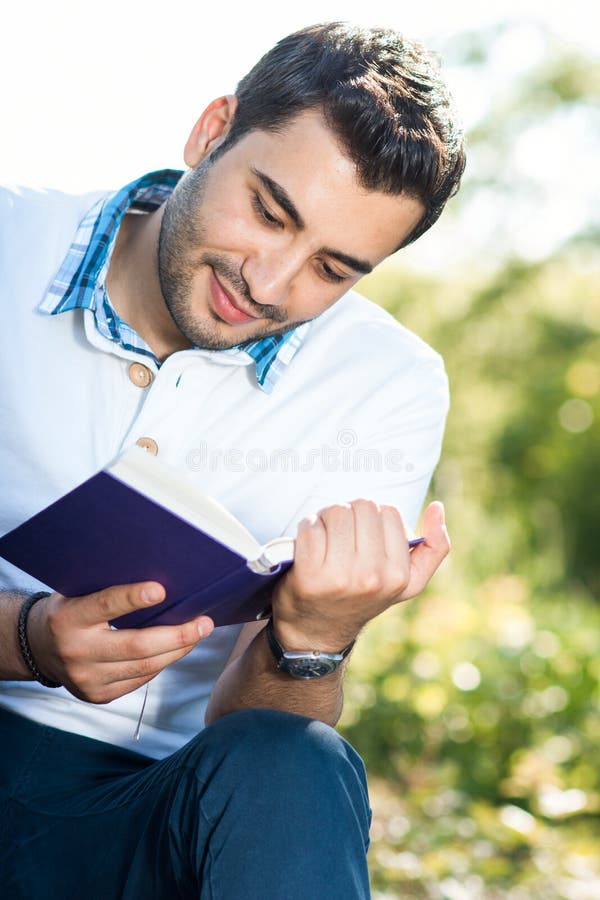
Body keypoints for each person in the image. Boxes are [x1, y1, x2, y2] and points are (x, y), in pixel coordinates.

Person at [0, 22, 464, 900]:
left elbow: (253, 744)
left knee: (296, 760)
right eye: (268, 212)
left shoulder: (389, 385)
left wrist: (314, 642)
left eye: (332, 267)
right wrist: (26, 639)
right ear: (211, 131)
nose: (270, 283)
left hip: (146, 812)